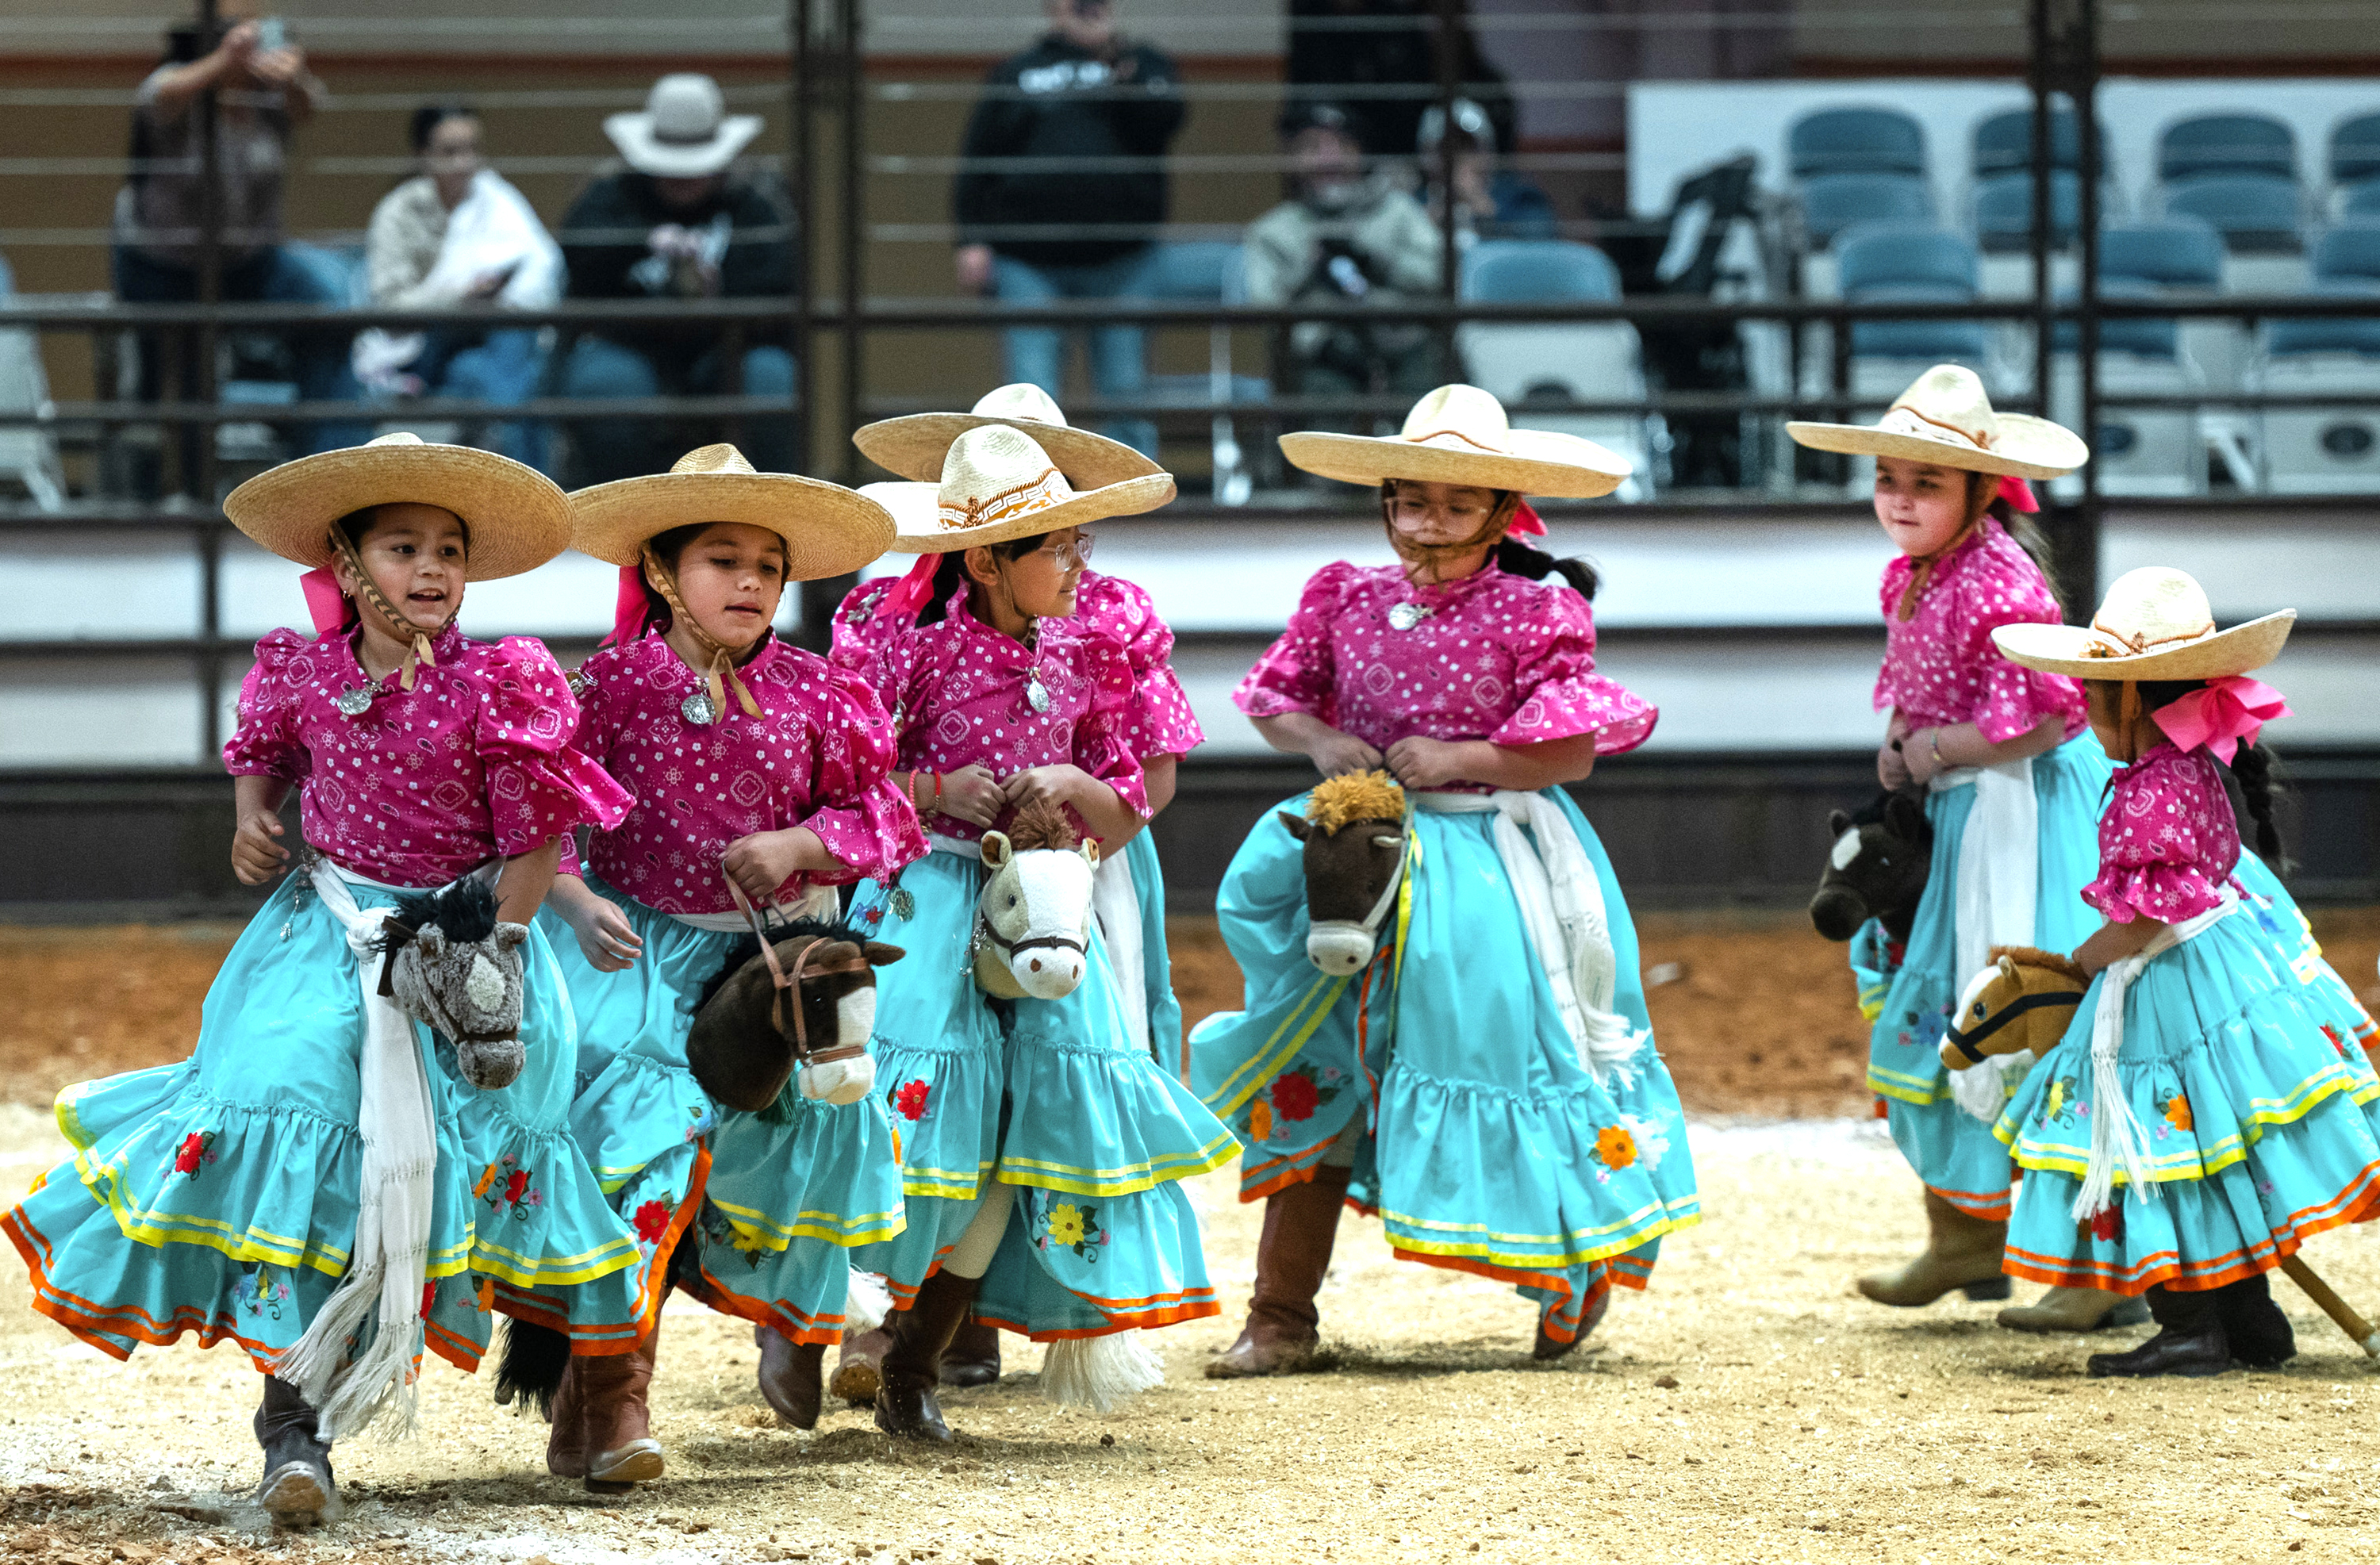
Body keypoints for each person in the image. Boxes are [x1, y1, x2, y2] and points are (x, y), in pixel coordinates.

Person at [0, 432, 640, 1525]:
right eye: (403, 547)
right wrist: (254, 821)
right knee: (297, 1110)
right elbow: (263, 754)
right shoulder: (299, 672)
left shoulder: (507, 679)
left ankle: (603, 1392)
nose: (431, 569)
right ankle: (292, 1429)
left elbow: (537, 830)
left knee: (512, 1131)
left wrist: (505, 945)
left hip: (472, 937)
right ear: (347, 563)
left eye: (449, 548)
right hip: (328, 934)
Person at [1190, 383, 1699, 1373]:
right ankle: (1280, 1313)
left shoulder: (1539, 605)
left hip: (1483, 856)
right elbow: (1275, 701)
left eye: (1456, 506)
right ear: (1386, 502)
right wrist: (1328, 739)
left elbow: (1572, 755)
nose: (1428, 524)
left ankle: (1575, 1261)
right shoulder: (1345, 592)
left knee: (1513, 1048)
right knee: (1320, 1045)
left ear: (1504, 513)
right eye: (1410, 501)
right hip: (1357, 848)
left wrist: (1472, 755)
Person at [825, 424, 1233, 1441]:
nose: (1077, 566)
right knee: (906, 1111)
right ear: (984, 559)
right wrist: (932, 788)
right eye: (1055, 547)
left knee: (1027, 1136)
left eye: (1078, 543)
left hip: (1047, 904)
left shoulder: (1088, 636)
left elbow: (1134, 801)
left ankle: (919, 1360)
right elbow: (837, 777)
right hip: (929, 890)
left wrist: (1079, 785)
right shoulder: (901, 635)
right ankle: (854, 1325)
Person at [530, 445, 918, 1486]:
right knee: (636, 1150)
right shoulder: (601, 689)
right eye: (721, 559)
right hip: (632, 958)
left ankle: (796, 1320)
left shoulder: (823, 694)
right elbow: (537, 816)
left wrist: (799, 848)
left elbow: (887, 816)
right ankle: (610, 1398)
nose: (750, 583)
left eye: (768, 566)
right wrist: (573, 896)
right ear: (660, 571)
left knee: (817, 1120)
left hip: (776, 957)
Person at [1786, 366, 2146, 1333]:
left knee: (2039, 1014)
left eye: (1927, 483)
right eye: (1890, 479)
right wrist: (1905, 736)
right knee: (1950, 1006)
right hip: (1960, 804)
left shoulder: (2000, 579)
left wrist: (1932, 748)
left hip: (2019, 813)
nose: (1901, 499)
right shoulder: (1918, 573)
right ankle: (1966, 1238)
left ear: (1981, 491)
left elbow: (2043, 715)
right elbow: (1922, 681)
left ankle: (2099, 1262)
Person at [1983, 568, 2380, 1376]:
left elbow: (2141, 920)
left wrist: (2072, 964)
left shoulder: (2143, 791)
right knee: (2215, 1145)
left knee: (2155, 1145)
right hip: (2221, 968)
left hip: (2170, 981)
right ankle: (2249, 1314)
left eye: (2095, 697)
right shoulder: (2185, 766)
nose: (2086, 712)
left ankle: (2192, 1322)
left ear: (2128, 700)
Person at [113, 10, 363, 462]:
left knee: (331, 311)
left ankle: (329, 464)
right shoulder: (187, 88)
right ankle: (184, 494)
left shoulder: (271, 102)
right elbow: (156, 95)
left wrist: (294, 77)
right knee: (186, 371)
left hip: (251, 262)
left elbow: (311, 104)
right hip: (165, 266)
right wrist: (222, 65)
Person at [952, 0, 1185, 459]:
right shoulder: (1015, 72)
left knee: (1126, 389)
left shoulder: (1143, 64)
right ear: (1050, 7)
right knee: (1030, 391)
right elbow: (977, 159)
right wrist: (970, 240)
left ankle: (1136, 497)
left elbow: (1164, 123)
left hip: (1125, 259)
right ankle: (1026, 494)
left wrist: (1116, 59)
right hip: (1027, 259)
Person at [557, 74, 794, 484]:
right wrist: (642, 242)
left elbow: (780, 278)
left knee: (770, 379)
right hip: (627, 343)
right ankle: (622, 522)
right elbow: (577, 260)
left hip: (729, 347)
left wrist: (719, 287)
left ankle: (763, 516)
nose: (683, 178)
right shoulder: (609, 196)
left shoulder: (756, 200)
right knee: (605, 386)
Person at [357, 103, 563, 470]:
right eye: (450, 153)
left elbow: (541, 264)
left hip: (489, 335)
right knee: (514, 381)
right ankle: (536, 494)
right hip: (424, 344)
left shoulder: (496, 199)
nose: (464, 164)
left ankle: (527, 491)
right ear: (423, 157)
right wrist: (458, 296)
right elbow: (389, 310)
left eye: (472, 150)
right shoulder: (398, 213)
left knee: (485, 368)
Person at [1242, 102, 1444, 417]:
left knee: (1433, 387)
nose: (1329, 159)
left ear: (1361, 153)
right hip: (1322, 359)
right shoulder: (1273, 231)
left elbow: (1438, 279)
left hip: (1403, 346)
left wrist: (1379, 260)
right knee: (1318, 399)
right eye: (1312, 147)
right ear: (1291, 158)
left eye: (1342, 146)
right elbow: (1265, 308)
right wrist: (1309, 269)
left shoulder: (1399, 212)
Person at [1416, 97, 1558, 244]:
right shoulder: (1412, 205)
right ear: (1426, 157)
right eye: (1446, 148)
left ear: (1489, 154)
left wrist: (1487, 215)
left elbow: (1540, 246)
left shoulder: (1522, 201)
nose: (1458, 158)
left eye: (1469, 147)